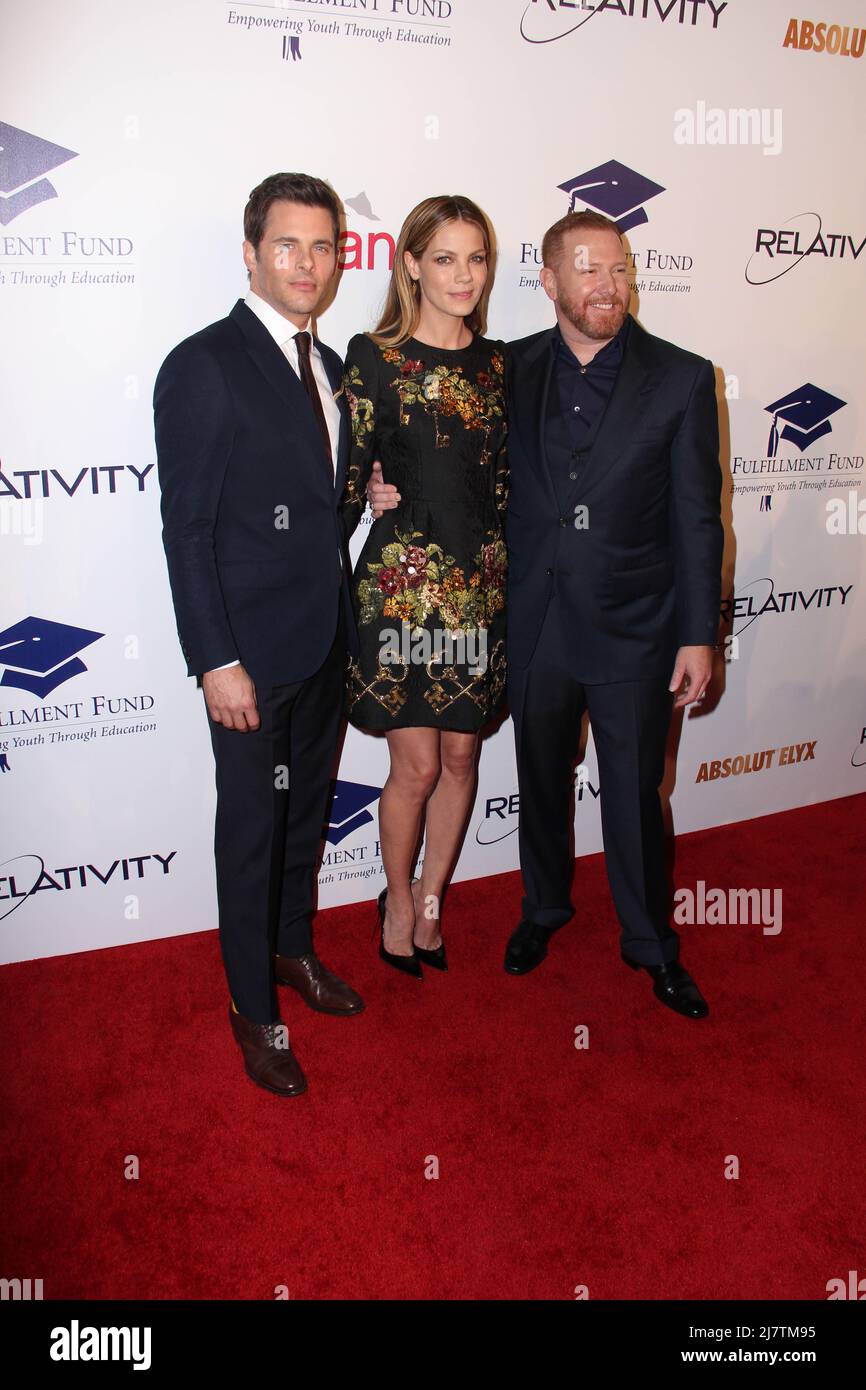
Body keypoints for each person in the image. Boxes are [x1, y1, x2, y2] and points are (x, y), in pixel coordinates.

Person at [368, 209, 723, 1019]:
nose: (608, 285)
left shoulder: (682, 377)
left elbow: (700, 518)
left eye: (621, 269)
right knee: (540, 781)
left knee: (634, 790)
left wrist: (699, 633)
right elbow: (439, 445)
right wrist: (386, 483)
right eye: (589, 270)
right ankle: (544, 910)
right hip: (531, 620)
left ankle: (651, 945)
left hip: (637, 626)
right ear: (550, 281)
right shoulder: (507, 369)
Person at [154, 172, 364, 1097]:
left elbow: (316, 500)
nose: (307, 264)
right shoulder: (203, 364)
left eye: (323, 246)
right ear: (251, 253)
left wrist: (363, 498)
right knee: (250, 832)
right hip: (248, 658)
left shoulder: (330, 366)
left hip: (323, 642)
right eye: (288, 245)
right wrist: (215, 661)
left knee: (304, 817)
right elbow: (187, 529)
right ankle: (253, 1008)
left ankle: (291, 952)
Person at [340, 195, 508, 977]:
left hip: (476, 590)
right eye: (445, 257)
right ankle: (396, 897)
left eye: (475, 258)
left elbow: (507, 485)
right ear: (410, 263)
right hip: (401, 590)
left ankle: (434, 896)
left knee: (464, 759)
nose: (463, 275)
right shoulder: (374, 356)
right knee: (417, 766)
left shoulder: (501, 365)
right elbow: (346, 482)